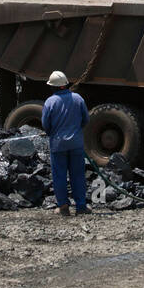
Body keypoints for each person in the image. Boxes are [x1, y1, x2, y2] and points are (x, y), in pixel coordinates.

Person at [40, 70, 90, 216]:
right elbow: (86, 119)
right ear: (66, 84)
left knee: (60, 176)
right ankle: (81, 207)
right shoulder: (78, 98)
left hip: (58, 145)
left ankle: (63, 207)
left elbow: (45, 124)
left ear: (53, 86)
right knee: (78, 175)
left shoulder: (50, 102)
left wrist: (52, 133)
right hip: (76, 144)